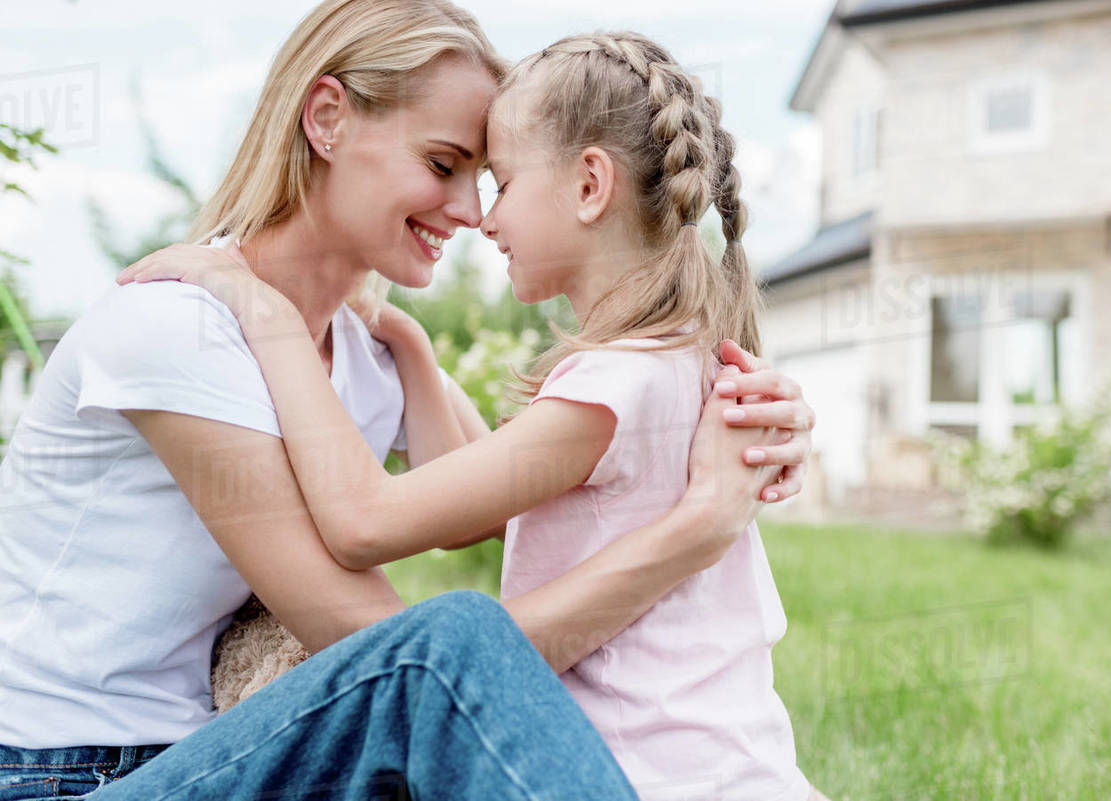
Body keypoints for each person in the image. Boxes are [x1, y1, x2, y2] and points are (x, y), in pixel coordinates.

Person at [0, 1, 815, 799]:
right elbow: (393, 657)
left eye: (489, 176)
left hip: (208, 751)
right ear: (327, 119)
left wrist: (748, 424)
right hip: (64, 771)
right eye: (442, 164)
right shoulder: (179, 325)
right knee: (450, 644)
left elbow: (515, 498)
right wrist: (696, 530)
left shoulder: (361, 354)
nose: (469, 212)